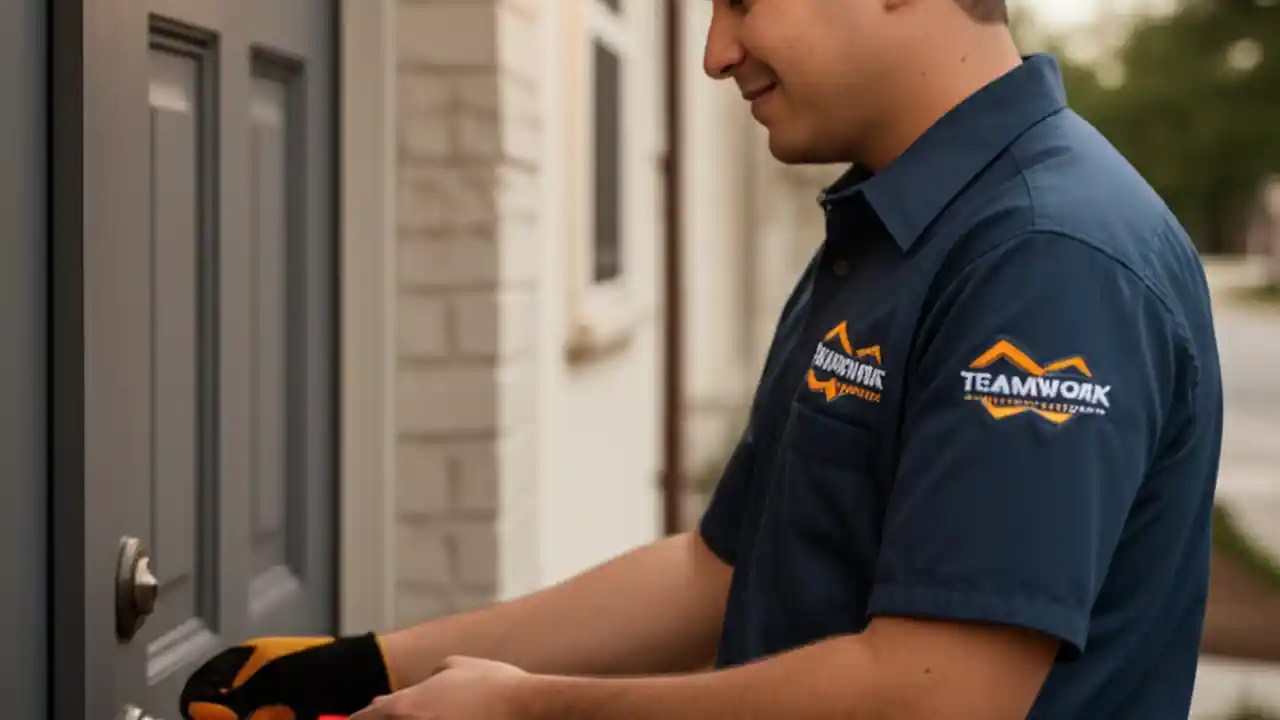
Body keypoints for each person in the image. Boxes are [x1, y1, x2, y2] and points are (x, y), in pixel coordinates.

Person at [180, 0, 1224, 718]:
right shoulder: (897, 226)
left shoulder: (1043, 259)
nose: (714, 54)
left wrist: (525, 707)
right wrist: (365, 667)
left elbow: (936, 693)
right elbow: (719, 569)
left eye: (740, 0)